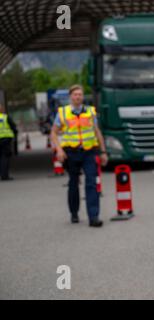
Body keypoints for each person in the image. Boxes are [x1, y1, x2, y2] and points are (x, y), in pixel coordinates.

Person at [51, 85, 108, 227]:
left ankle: (94, 216)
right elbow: (53, 133)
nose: (78, 97)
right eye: (75, 94)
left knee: (91, 183)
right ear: (70, 96)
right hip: (71, 152)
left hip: (89, 151)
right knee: (73, 183)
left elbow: (97, 132)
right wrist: (59, 150)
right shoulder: (63, 113)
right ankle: (74, 213)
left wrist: (103, 151)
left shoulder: (90, 112)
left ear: (83, 97)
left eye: (80, 95)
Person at [0, 103, 17, 181]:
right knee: (5, 157)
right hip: (5, 140)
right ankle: (4, 176)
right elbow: (13, 127)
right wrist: (15, 134)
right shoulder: (5, 117)